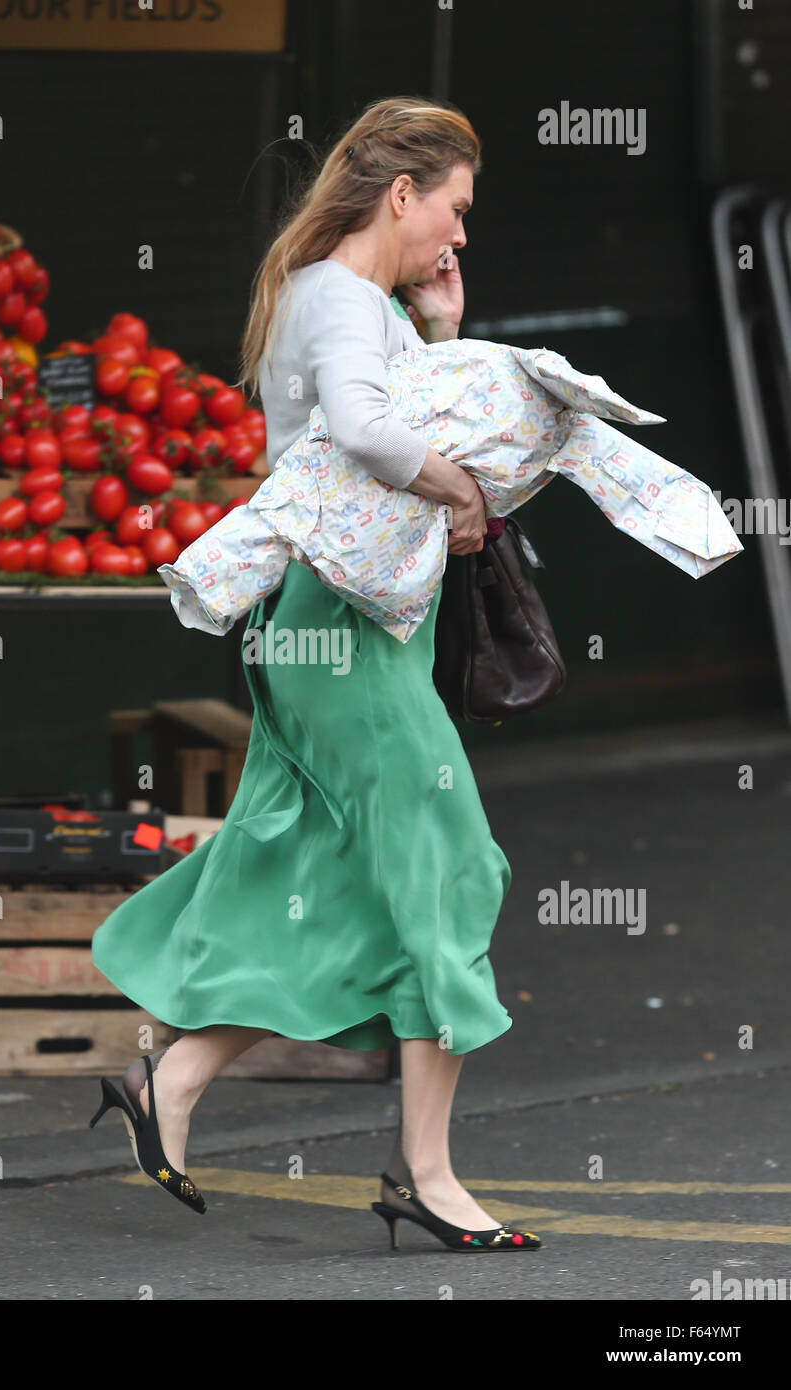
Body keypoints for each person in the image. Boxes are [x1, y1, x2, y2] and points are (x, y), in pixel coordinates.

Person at [90, 96, 540, 1252]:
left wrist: (440, 330)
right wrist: (459, 489)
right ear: (402, 195)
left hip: (325, 628)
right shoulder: (342, 301)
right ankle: (426, 1175)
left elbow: (386, 411)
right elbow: (363, 431)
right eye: (453, 209)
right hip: (341, 630)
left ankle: (171, 1081)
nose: (459, 233)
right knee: (449, 869)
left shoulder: (345, 298)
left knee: (335, 879)